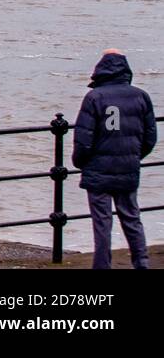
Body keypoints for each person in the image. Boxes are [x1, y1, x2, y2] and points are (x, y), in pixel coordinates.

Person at [73, 49, 156, 269]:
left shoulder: (94, 97)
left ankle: (102, 266)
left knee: (102, 223)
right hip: (128, 167)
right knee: (132, 218)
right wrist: (135, 157)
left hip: (98, 170)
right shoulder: (141, 96)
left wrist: (81, 163)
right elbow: (150, 137)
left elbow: (83, 139)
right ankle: (141, 262)